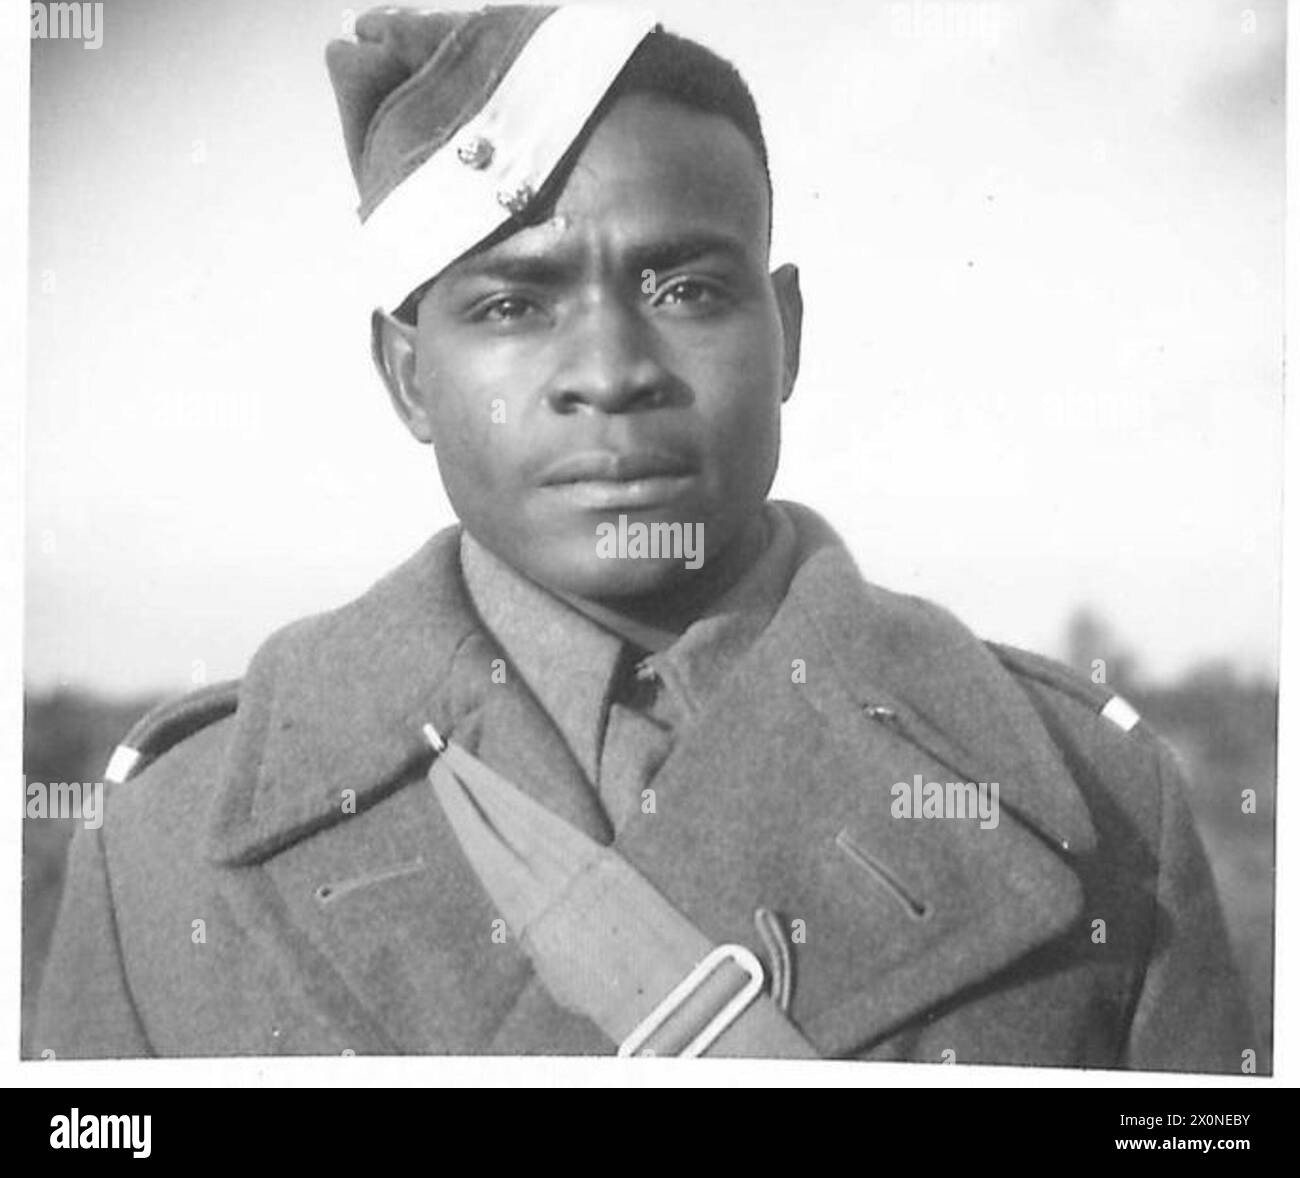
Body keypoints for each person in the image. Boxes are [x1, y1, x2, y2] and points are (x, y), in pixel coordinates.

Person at [35, 2, 1254, 1069]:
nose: (611, 370)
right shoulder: (168, 847)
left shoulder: (1093, 803)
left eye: (687, 289)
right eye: (513, 303)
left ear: (786, 333)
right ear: (408, 377)